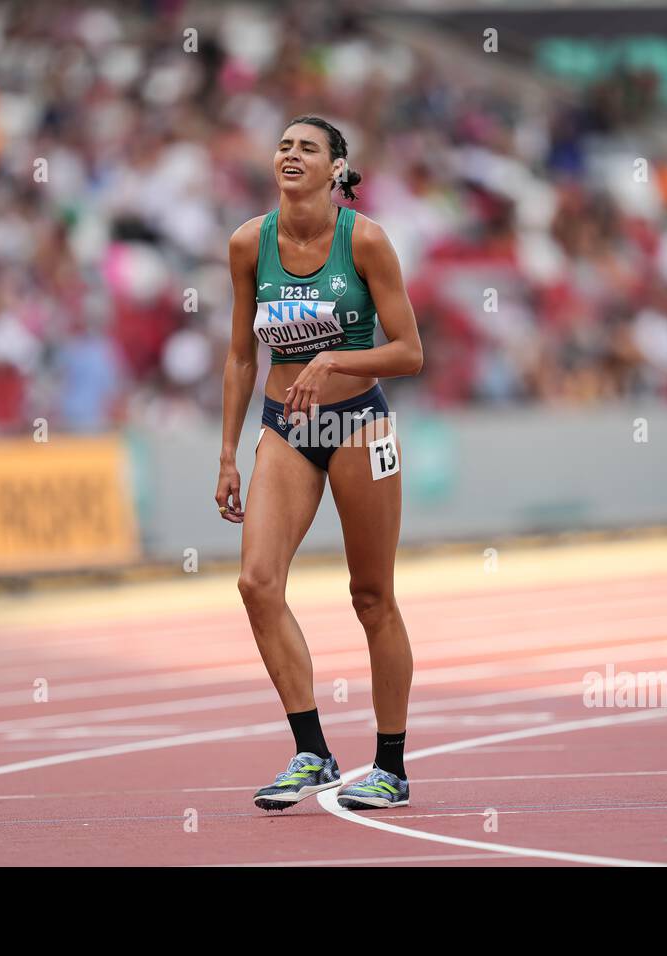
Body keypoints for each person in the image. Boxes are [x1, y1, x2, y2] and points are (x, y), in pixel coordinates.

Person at [216, 116, 424, 812]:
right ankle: (312, 750)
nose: (290, 154)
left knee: (371, 597)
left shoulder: (364, 241)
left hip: (359, 424)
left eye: (306, 147)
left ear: (338, 167)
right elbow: (243, 353)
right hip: (284, 428)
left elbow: (409, 351)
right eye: (282, 145)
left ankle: (390, 767)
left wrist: (333, 357)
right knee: (256, 582)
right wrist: (227, 454)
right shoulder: (250, 242)